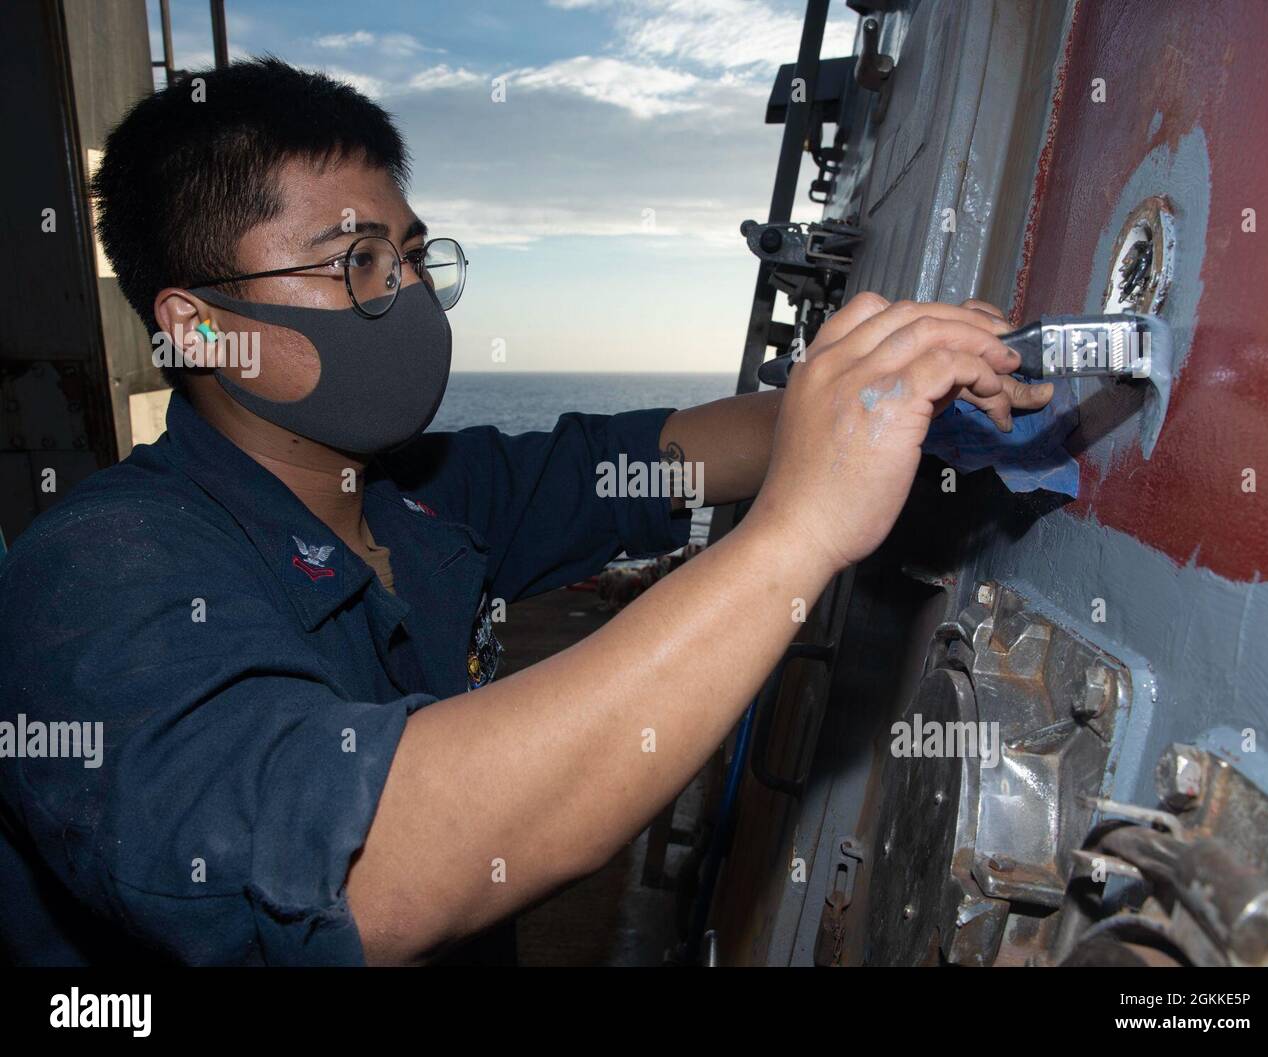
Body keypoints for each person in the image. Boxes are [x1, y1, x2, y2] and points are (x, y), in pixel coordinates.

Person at [0, 58, 1050, 965]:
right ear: (195, 326)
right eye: (353, 262)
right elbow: (371, 873)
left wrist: (880, 395)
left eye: (410, 256)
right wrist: (801, 535)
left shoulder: (417, 493)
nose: (403, 294)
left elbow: (655, 455)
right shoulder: (96, 577)